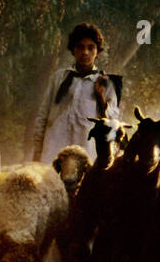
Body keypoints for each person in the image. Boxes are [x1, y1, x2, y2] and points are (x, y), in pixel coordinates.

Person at [32, 23, 121, 164]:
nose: (85, 52)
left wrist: (100, 97)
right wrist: (37, 150)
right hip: (53, 151)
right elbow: (43, 115)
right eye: (80, 47)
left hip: (86, 154)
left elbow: (113, 123)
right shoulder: (59, 78)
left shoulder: (106, 82)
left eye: (90, 48)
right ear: (73, 50)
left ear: (97, 52)